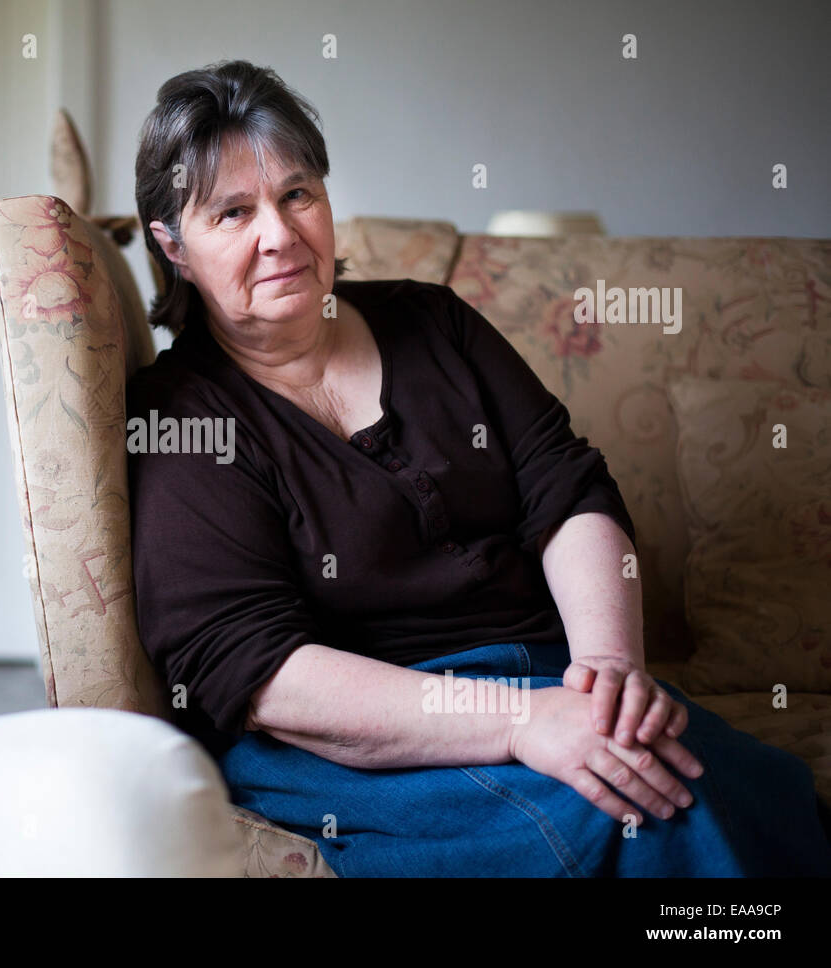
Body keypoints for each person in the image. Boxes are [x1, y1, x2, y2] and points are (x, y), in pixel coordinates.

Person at [124, 59, 831, 876]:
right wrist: (520, 724)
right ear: (173, 247)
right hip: (365, 740)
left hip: (549, 678)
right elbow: (261, 672)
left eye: (297, 195)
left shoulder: (434, 322)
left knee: (744, 788)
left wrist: (604, 670)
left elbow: (568, 491)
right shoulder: (180, 417)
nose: (278, 233)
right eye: (233, 213)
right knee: (646, 815)